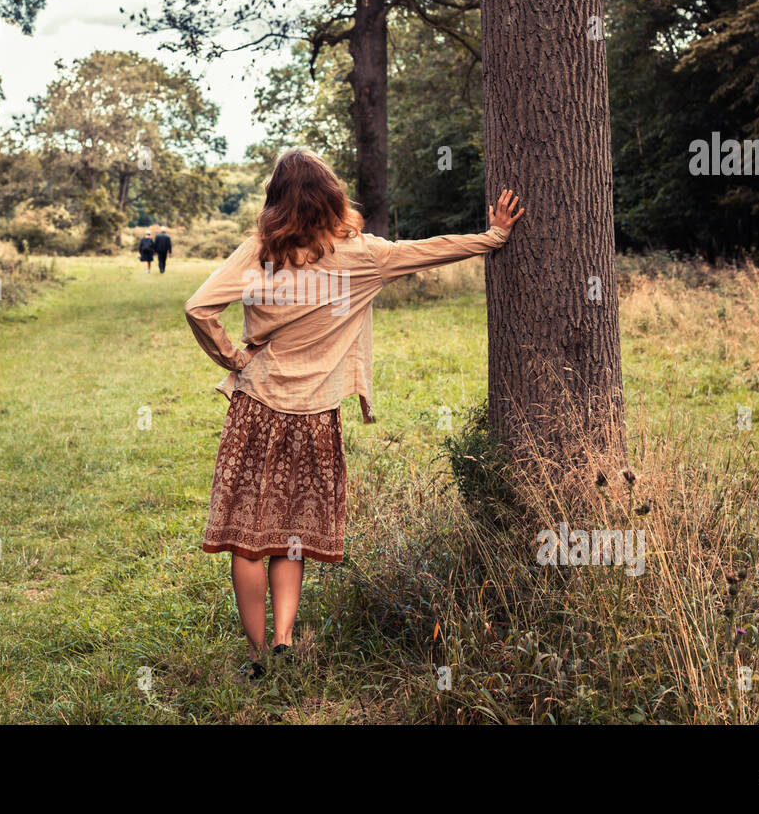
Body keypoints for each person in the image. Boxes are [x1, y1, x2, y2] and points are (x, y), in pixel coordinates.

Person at [184, 148, 524, 680]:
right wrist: (493, 237)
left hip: (256, 406)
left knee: (246, 535)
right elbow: (430, 250)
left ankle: (255, 657)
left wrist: (233, 356)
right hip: (316, 414)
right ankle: (284, 641)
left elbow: (198, 308)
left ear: (276, 200)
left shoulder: (259, 251)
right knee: (291, 530)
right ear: (332, 197)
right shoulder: (361, 255)